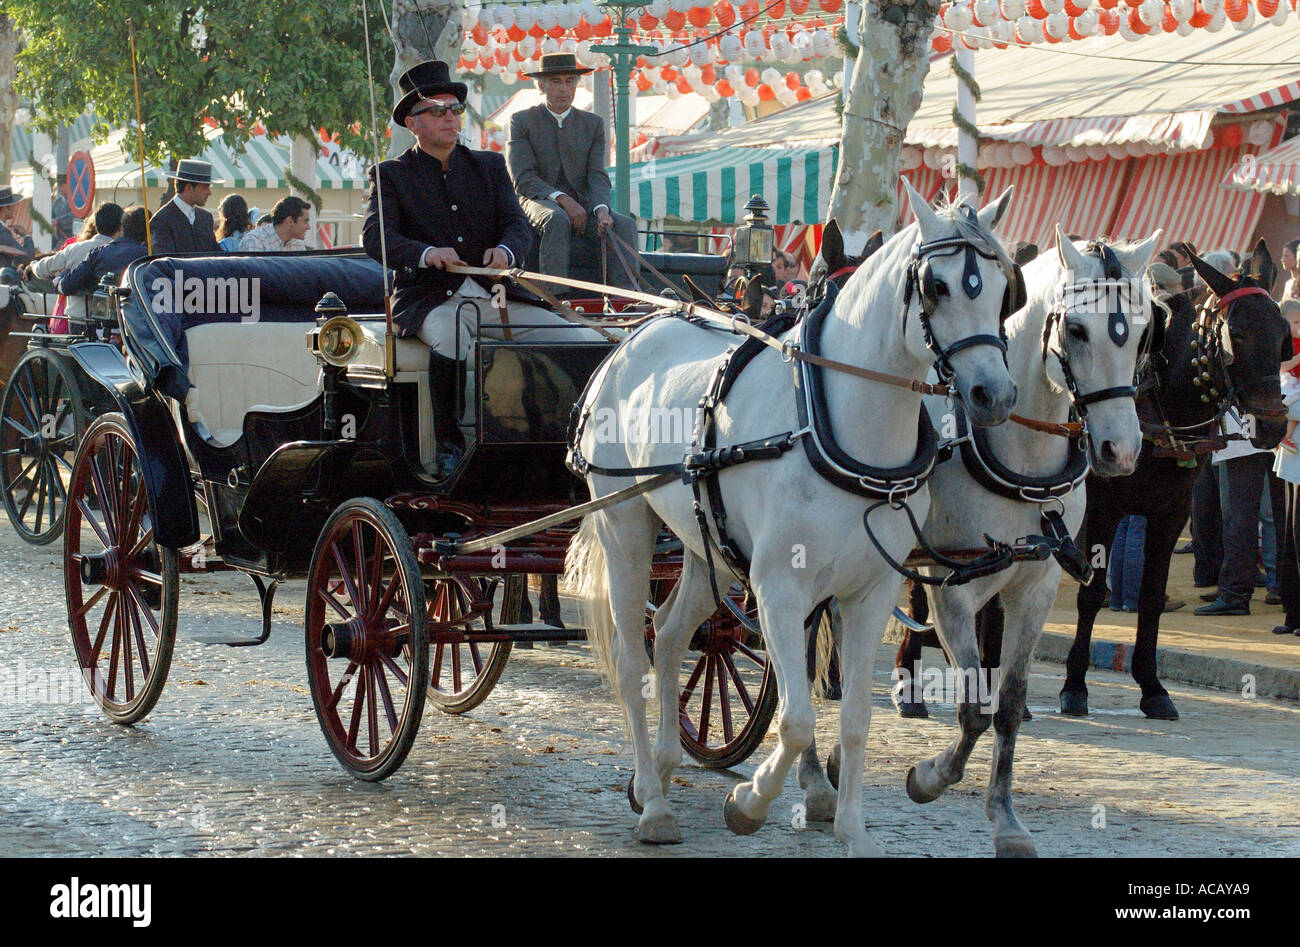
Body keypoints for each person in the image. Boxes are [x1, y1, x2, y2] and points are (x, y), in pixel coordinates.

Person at [362, 59, 600, 479]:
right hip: (430, 299)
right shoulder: (390, 175)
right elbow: (376, 239)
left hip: (498, 295)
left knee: (577, 338)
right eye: (438, 110)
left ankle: (572, 443)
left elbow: (517, 225)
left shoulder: (489, 166)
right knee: (452, 336)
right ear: (413, 123)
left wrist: (507, 251)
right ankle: (450, 447)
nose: (451, 118)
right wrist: (425, 253)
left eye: (455, 109)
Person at [507, 52, 639, 281]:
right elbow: (523, 179)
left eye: (569, 81)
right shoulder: (522, 121)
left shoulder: (593, 124)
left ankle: (626, 300)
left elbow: (597, 175)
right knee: (556, 218)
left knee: (625, 224)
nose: (563, 89)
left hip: (583, 206)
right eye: (556, 81)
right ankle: (555, 298)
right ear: (541, 85)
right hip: (536, 201)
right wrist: (563, 199)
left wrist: (602, 211)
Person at [26, 202, 119, 325]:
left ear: (95, 223)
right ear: (120, 227)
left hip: (79, 321)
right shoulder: (125, 252)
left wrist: (33, 266)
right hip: (115, 324)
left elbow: (44, 268)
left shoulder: (75, 249)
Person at [57, 206, 150, 298]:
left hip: (103, 310)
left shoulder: (98, 253)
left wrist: (61, 278)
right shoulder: (150, 257)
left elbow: (67, 286)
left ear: (122, 228)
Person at [149, 159, 220, 254]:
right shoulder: (161, 220)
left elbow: (216, 256)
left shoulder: (206, 218)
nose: (209, 192)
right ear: (189, 187)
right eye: (205, 187)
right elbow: (166, 262)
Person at [238, 196, 312, 252]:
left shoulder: (297, 243)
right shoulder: (255, 240)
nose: (309, 227)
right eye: (305, 221)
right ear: (290, 221)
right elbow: (256, 272)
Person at [1278, 299, 1300, 454]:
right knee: (1292, 411)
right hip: (1291, 383)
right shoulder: (1284, 343)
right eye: (1296, 322)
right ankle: (1284, 437)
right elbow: (1283, 366)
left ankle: (1285, 437)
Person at [0, 185, 36, 263]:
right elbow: (28, 257)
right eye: (13, 205)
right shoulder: (2, 232)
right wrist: (26, 235)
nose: (15, 208)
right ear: (7, 207)